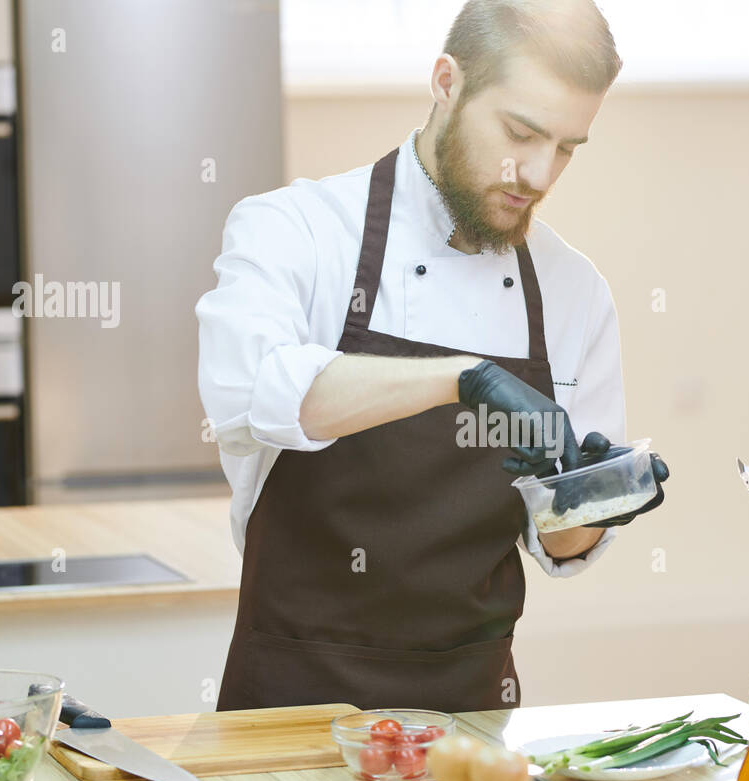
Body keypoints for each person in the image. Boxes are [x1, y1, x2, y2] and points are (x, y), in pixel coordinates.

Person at [196, 0, 668, 716]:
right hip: (292, 711)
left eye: (568, 147)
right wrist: (462, 380)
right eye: (521, 132)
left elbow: (561, 544)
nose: (539, 173)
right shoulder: (296, 231)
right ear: (446, 81)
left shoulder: (573, 291)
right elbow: (256, 395)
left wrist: (599, 496)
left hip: (473, 716)